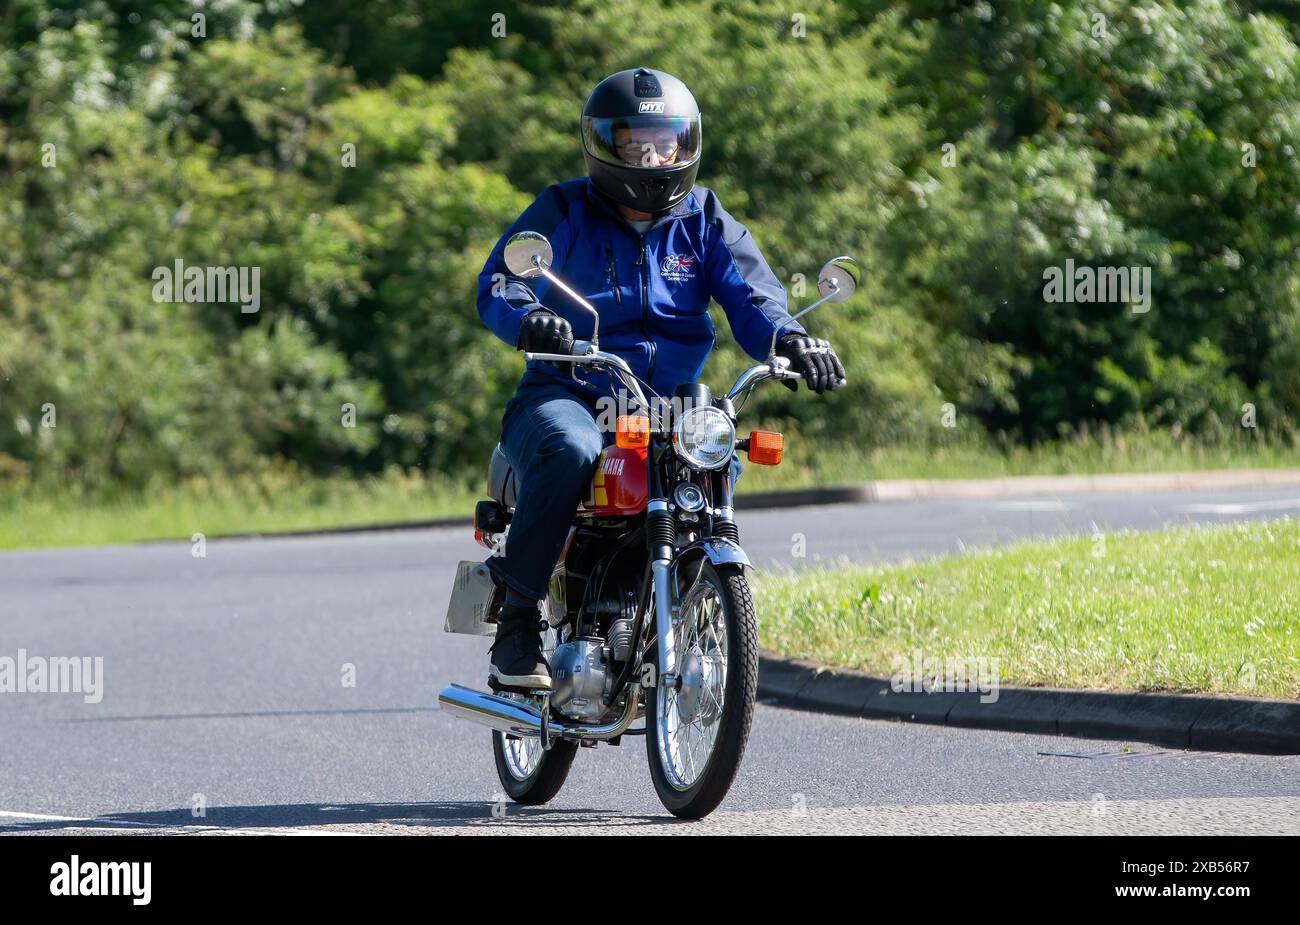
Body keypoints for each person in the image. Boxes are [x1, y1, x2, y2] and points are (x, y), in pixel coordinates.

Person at [475, 67, 845, 690]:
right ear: (603, 144)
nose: (651, 154)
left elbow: (753, 296)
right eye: (634, 141)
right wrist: (530, 317)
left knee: (714, 454)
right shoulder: (564, 209)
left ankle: (683, 600)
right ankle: (517, 624)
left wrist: (789, 336)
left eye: (665, 140)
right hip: (568, 392)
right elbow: (501, 282)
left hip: (663, 403)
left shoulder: (704, 217)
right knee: (572, 450)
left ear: (687, 144)